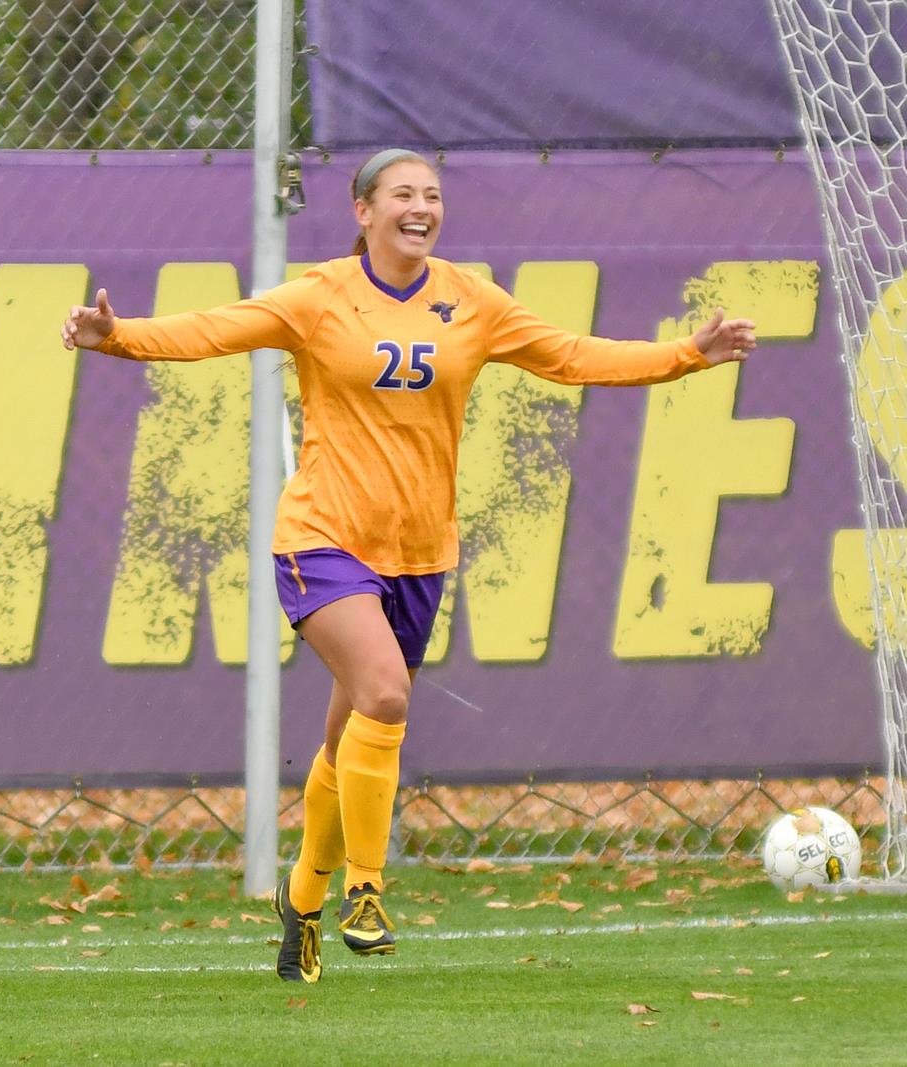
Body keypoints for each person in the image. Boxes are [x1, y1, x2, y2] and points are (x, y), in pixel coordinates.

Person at [61, 148, 758, 983]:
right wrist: (116, 336)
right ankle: (365, 889)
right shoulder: (320, 296)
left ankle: (302, 897)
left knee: (343, 740)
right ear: (363, 211)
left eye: (432, 194)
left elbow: (574, 356)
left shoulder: (472, 300)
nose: (421, 206)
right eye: (402, 194)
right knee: (387, 694)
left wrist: (689, 352)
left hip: (421, 555)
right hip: (323, 539)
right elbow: (214, 329)